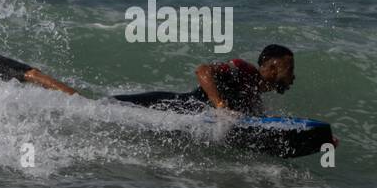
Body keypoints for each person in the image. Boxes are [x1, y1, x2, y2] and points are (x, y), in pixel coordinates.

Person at [112, 45, 295, 116]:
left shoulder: (254, 97)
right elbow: (203, 70)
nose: (292, 76)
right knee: (114, 106)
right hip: (177, 105)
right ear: (272, 67)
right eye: (289, 69)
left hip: (186, 114)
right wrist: (220, 106)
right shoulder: (242, 69)